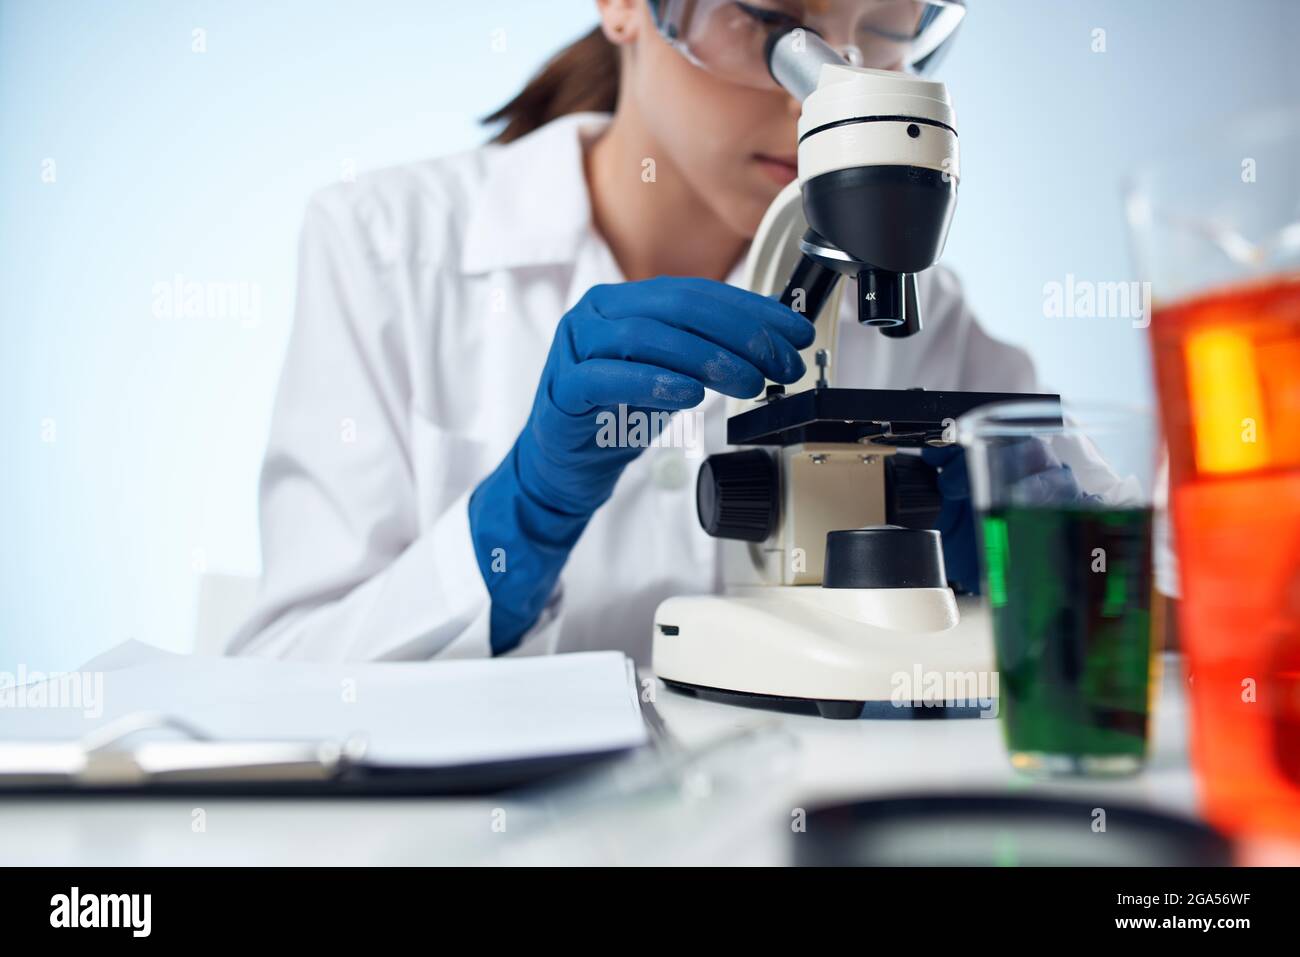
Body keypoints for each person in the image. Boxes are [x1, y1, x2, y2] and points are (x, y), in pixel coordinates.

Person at [228, 0, 1036, 663]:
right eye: (774, 27)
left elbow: (1125, 592)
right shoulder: (384, 248)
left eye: (886, 35)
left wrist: (1018, 580)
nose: (823, 95)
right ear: (625, 10)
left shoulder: (927, 315)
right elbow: (283, 678)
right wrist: (519, 523)